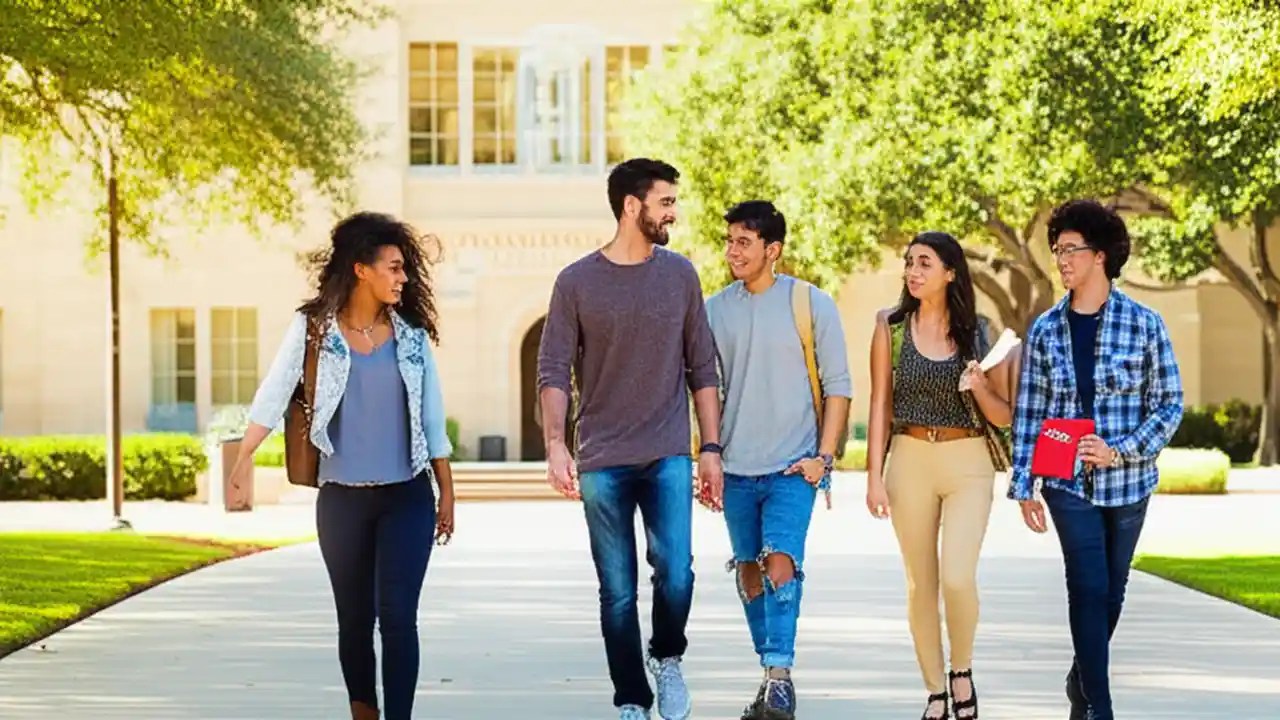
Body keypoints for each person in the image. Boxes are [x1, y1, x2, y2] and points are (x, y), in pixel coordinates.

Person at [226, 212, 456, 720]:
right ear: (361, 270)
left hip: (407, 497)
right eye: (393, 268)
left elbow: (432, 417)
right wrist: (243, 457)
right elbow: (274, 391)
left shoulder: (411, 336)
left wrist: (447, 492)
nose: (403, 278)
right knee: (354, 619)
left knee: (398, 618)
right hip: (343, 500)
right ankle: (364, 713)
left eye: (404, 269)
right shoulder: (315, 330)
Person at [536, 157, 723, 720]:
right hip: (602, 458)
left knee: (677, 569)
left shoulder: (681, 274)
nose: (674, 213)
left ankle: (667, 657)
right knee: (616, 590)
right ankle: (631, 699)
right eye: (666, 202)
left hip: (667, 449)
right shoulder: (575, 282)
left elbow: (703, 368)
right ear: (632, 207)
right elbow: (553, 369)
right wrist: (554, 443)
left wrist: (710, 448)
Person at [1008, 200, 1183, 720]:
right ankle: (1098, 709)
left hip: (1129, 482)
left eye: (1070, 250)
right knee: (1086, 586)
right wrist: (1024, 481)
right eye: (1056, 250)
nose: (1061, 259)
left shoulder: (1145, 324)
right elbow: (1030, 410)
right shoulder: (1045, 330)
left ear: (1100, 255)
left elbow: (1170, 403)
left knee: (1112, 592)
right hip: (1067, 482)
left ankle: (1082, 677)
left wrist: (1121, 449)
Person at [704, 201, 852, 720]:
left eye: (743, 242)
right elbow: (701, 388)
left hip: (794, 466)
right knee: (749, 573)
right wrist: (708, 455)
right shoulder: (713, 310)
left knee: (780, 560)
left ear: (773, 250)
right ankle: (769, 675)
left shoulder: (810, 303)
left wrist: (824, 458)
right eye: (728, 241)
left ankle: (781, 676)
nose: (732, 252)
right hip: (737, 467)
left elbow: (839, 388)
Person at [865, 231, 1015, 720]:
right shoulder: (889, 327)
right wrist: (872, 475)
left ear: (951, 272)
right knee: (920, 583)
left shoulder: (979, 332)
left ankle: (962, 669)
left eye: (925, 263)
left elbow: (1003, 415)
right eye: (910, 262)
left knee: (956, 576)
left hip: (968, 461)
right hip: (909, 459)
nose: (913, 271)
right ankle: (934, 690)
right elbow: (880, 405)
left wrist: (977, 386)